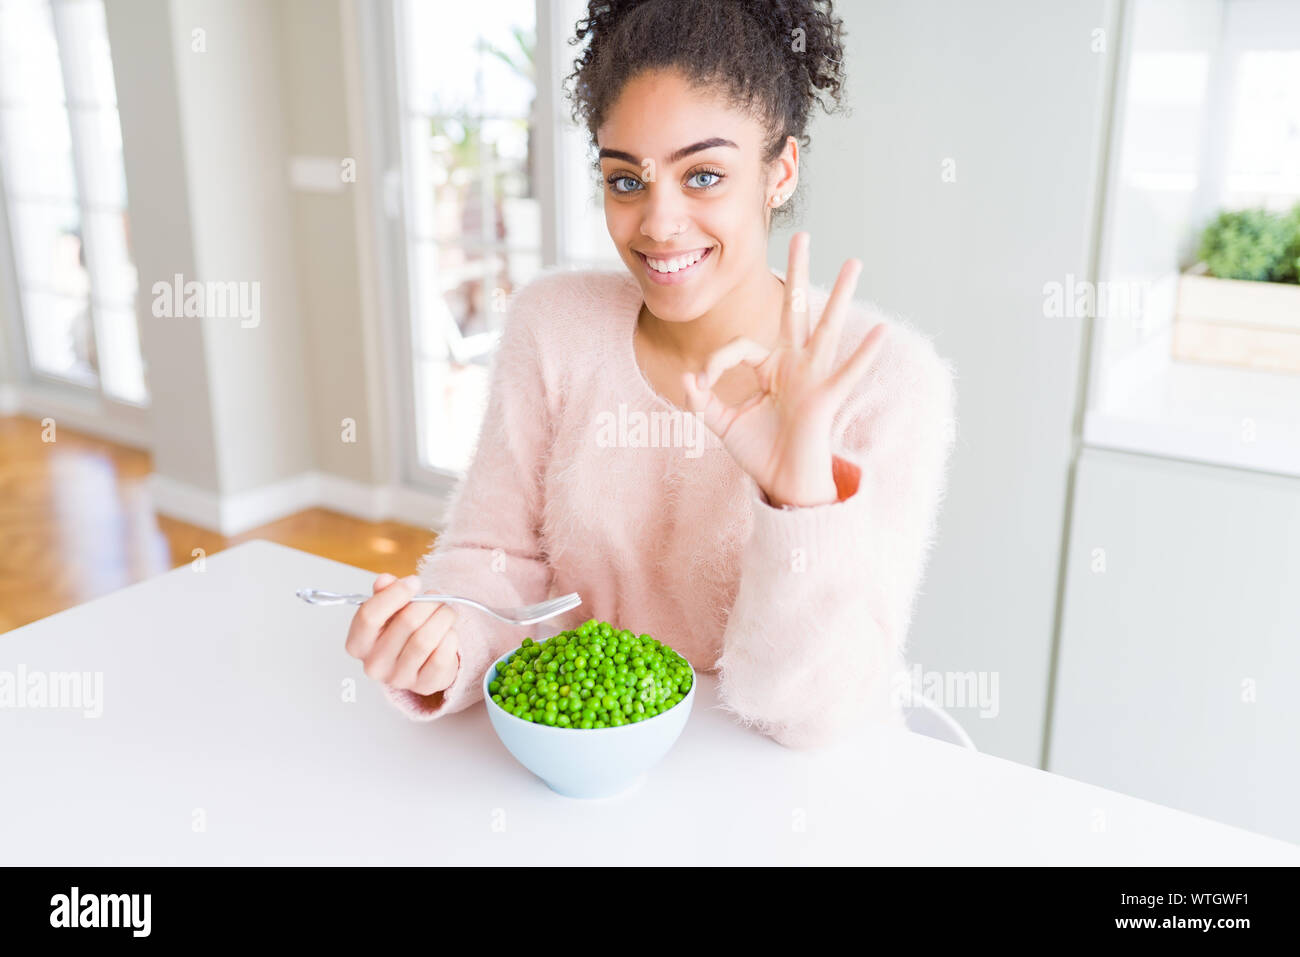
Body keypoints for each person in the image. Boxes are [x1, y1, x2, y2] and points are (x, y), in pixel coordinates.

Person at [345, 0, 958, 748]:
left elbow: (813, 715)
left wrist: (797, 490)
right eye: (626, 180)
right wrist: (443, 641)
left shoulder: (886, 381)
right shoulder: (554, 326)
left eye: (703, 175)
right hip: (581, 771)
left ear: (780, 170)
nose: (658, 224)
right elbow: (489, 562)